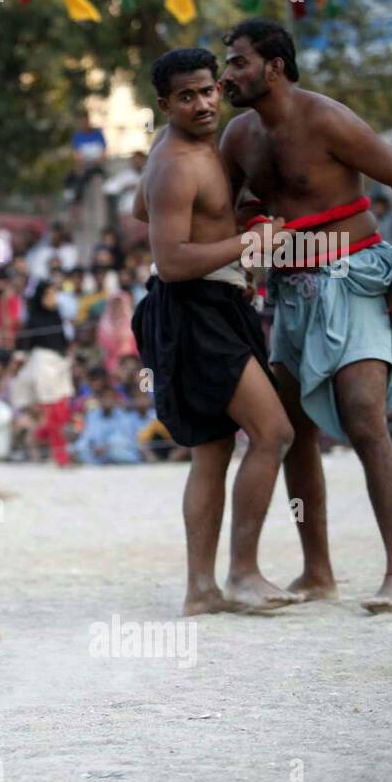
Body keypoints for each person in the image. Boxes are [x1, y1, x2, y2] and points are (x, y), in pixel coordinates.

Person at [219, 19, 392, 612]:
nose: (228, 74)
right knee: (294, 430)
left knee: (365, 419)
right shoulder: (238, 137)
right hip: (291, 291)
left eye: (237, 63)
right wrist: (251, 229)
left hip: (357, 279)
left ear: (274, 65)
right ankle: (318, 571)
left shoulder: (327, 118)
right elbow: (227, 210)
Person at [131, 49, 297, 615]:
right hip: (192, 306)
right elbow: (172, 259)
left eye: (207, 92)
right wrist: (251, 242)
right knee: (272, 432)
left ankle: (201, 590)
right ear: (165, 104)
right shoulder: (178, 161)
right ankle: (243, 575)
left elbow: (137, 205)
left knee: (212, 447)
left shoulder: (184, 149)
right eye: (186, 97)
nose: (201, 104)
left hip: (217, 303)